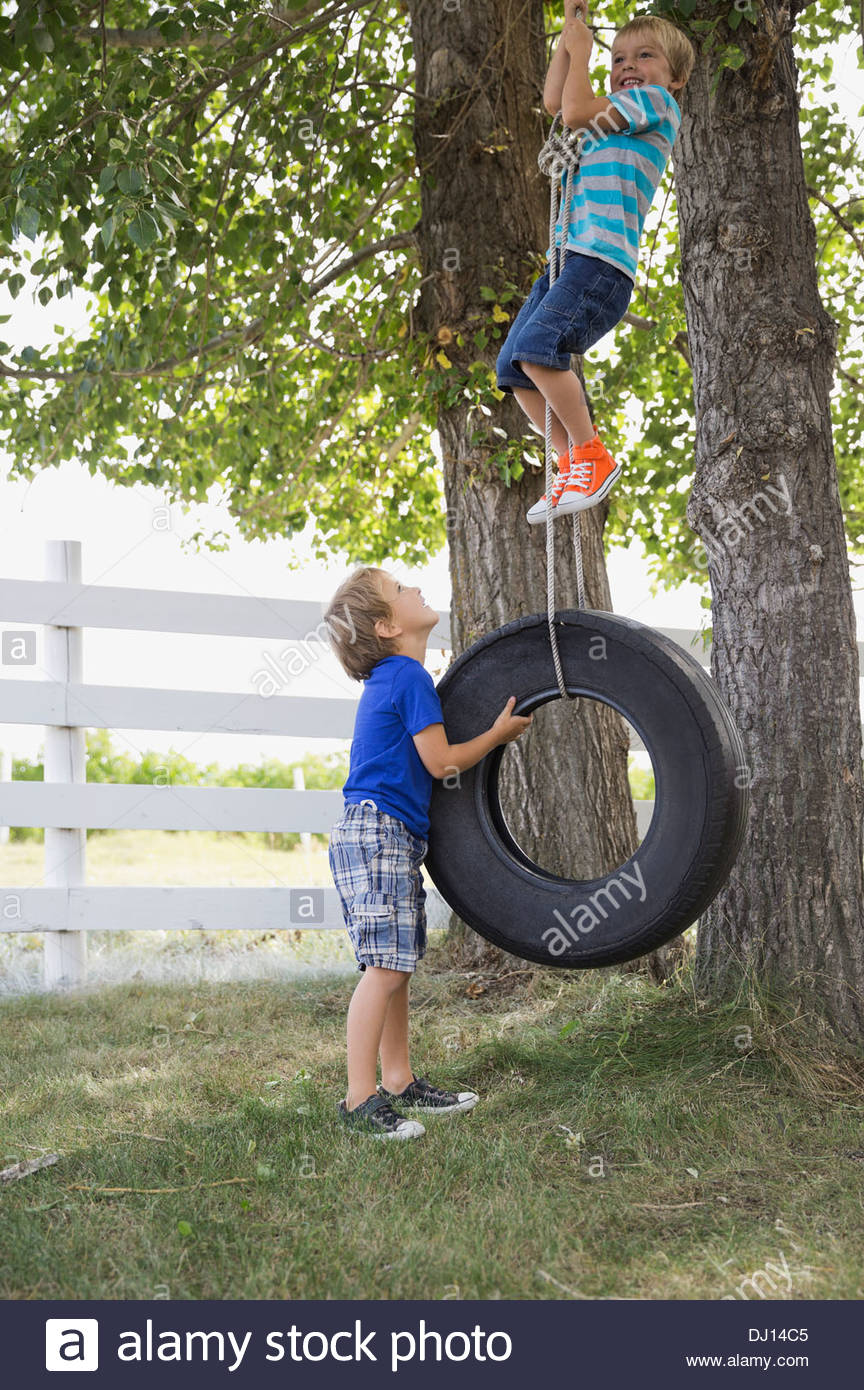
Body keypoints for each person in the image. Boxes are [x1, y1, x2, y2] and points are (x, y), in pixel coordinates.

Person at [324, 567, 532, 1140]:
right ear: (388, 626)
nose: (412, 586)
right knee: (385, 967)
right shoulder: (407, 678)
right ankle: (358, 1099)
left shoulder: (400, 678)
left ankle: (398, 1079)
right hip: (378, 832)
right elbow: (441, 764)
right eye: (398, 590)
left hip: (382, 834)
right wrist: (497, 735)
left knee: (394, 967)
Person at [495, 2, 695, 524]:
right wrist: (568, 39)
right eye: (619, 57)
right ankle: (571, 466)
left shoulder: (654, 105)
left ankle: (592, 455)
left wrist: (581, 53)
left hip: (600, 263)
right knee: (514, 367)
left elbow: (574, 109)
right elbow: (555, 100)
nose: (627, 65)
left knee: (541, 350)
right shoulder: (607, 116)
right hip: (566, 262)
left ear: (674, 79)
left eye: (644, 56)